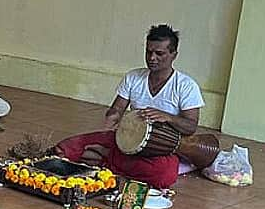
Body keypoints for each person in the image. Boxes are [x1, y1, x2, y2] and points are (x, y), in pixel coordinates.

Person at [54, 24, 204, 189]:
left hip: (161, 148)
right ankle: (110, 160)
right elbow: (117, 108)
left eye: (159, 53)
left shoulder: (186, 85)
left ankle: (105, 159)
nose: (152, 58)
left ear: (173, 55)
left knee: (163, 176)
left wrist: (167, 117)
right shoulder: (134, 77)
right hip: (127, 139)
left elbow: (190, 126)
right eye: (148, 52)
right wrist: (113, 115)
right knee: (65, 148)